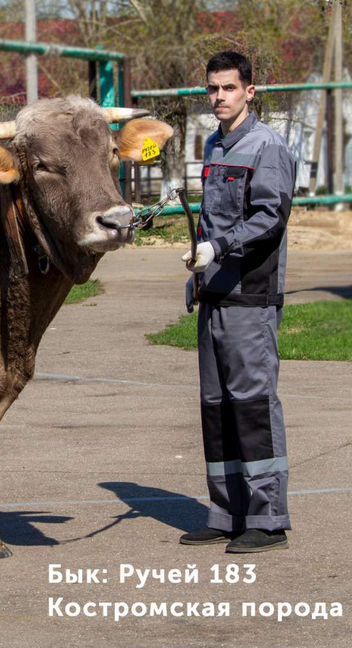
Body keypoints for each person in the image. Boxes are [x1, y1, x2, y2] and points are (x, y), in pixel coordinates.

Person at [179, 51, 296, 553]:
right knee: (217, 406)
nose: (218, 97)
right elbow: (213, 218)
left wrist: (220, 248)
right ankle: (226, 511)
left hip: (251, 296)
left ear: (250, 91)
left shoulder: (267, 147)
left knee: (252, 405)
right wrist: (200, 270)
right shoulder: (214, 144)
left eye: (228, 88)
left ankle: (268, 520)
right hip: (216, 292)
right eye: (212, 89)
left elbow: (270, 217)